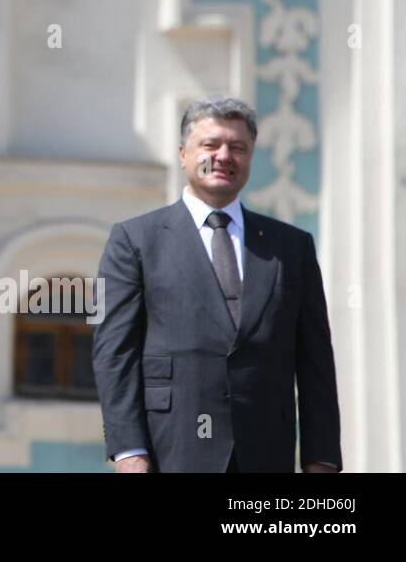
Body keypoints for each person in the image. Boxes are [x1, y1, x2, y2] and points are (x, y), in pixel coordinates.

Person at [92, 97, 341, 472]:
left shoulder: (290, 248)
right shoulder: (135, 240)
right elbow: (115, 353)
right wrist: (129, 451)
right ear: (183, 154)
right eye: (211, 145)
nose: (224, 156)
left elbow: (315, 361)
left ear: (251, 158)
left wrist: (321, 458)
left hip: (265, 455)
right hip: (171, 451)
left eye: (238, 147)